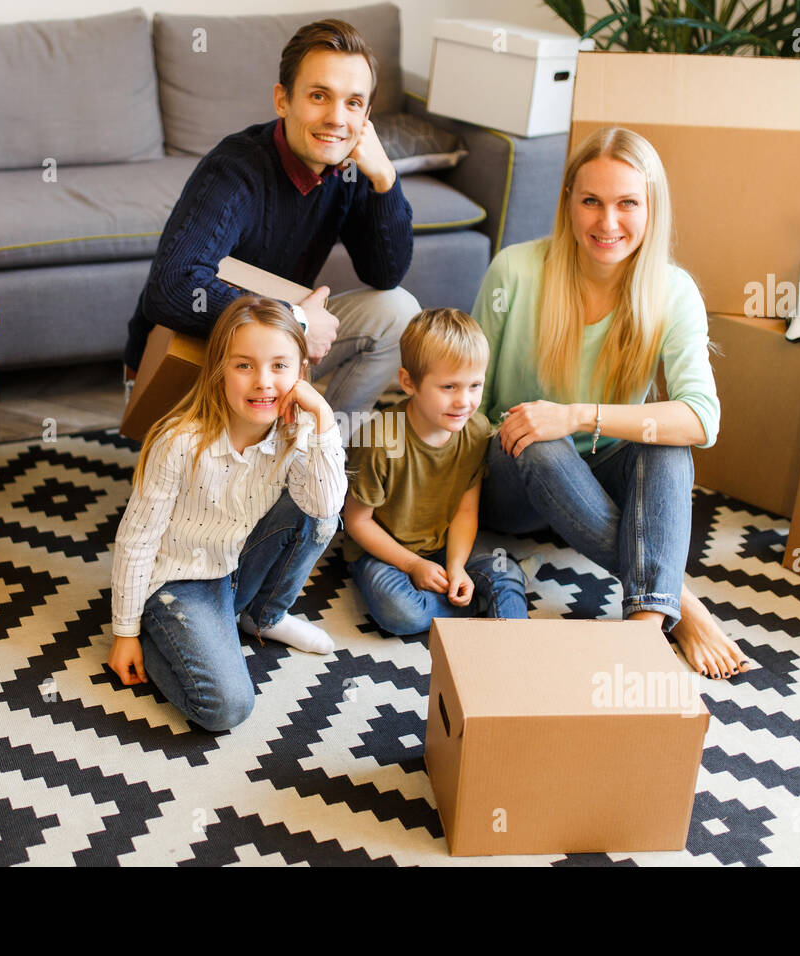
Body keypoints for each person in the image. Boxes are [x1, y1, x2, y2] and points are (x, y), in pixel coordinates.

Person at [473, 126, 753, 679]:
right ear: (569, 204)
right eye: (591, 202)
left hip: (595, 476)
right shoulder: (515, 271)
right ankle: (682, 605)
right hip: (514, 472)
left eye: (628, 204)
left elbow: (702, 417)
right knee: (544, 442)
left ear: (652, 209)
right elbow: (469, 405)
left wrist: (576, 415)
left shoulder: (672, 292)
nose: (607, 223)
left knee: (667, 445)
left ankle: (646, 623)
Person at [123, 18, 418, 422]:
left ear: (366, 116)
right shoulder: (235, 169)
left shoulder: (350, 169)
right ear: (283, 100)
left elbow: (385, 273)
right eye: (319, 95)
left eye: (352, 103)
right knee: (226, 480)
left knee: (397, 309)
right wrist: (294, 321)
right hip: (192, 351)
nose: (336, 118)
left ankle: (328, 453)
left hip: (270, 353)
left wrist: (385, 180)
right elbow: (171, 288)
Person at [108, 296, 347, 731]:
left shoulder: (298, 431)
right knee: (228, 708)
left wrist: (324, 417)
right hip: (185, 580)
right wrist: (124, 633)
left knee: (321, 508)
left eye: (279, 366)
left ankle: (261, 616)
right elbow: (136, 538)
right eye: (244, 366)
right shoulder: (179, 441)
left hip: (238, 566)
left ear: (300, 374)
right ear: (219, 368)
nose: (263, 382)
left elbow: (325, 509)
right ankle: (155, 630)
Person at [343, 308, 528, 635]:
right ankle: (478, 604)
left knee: (505, 573)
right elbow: (358, 523)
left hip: (444, 545)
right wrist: (412, 565)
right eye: (449, 387)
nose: (464, 401)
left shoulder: (476, 430)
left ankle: (517, 646)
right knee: (400, 612)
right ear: (408, 382)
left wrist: (456, 567)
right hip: (386, 551)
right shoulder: (380, 440)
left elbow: (466, 510)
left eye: (474, 386)